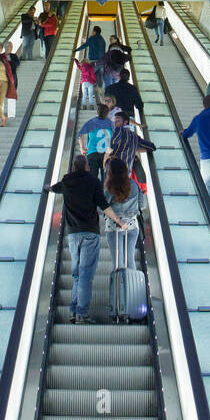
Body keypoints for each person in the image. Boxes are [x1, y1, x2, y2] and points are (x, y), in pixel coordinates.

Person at [46, 155, 128, 323]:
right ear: (87, 168)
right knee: (85, 275)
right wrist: (119, 221)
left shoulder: (66, 182)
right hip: (90, 233)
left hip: (73, 234)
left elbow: (53, 188)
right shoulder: (93, 182)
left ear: (74, 168)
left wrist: (46, 187)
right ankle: (82, 313)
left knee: (76, 275)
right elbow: (104, 205)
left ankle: (73, 311)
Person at [103, 157, 147, 270]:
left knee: (117, 263)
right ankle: (131, 286)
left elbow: (103, 206)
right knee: (130, 260)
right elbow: (142, 205)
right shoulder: (134, 185)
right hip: (132, 226)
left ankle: (119, 286)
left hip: (114, 227)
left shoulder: (109, 187)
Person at [106, 110, 155, 185]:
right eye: (114, 120)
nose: (115, 123)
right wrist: (134, 148)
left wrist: (105, 158)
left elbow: (112, 145)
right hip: (127, 173)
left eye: (118, 120)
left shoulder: (118, 130)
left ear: (125, 122)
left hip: (114, 169)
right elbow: (151, 147)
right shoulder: (135, 137)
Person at [78, 103, 114, 182]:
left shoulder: (91, 122)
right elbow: (115, 137)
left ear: (97, 112)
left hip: (92, 152)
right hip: (106, 154)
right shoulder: (111, 123)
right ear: (107, 113)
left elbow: (80, 134)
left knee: (92, 178)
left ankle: (92, 192)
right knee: (105, 178)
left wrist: (82, 148)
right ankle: (103, 193)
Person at [76, 23, 107, 94]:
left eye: (92, 31)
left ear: (95, 32)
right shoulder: (103, 40)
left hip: (93, 61)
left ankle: (91, 93)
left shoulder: (92, 38)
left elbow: (85, 45)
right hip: (101, 62)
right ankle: (100, 93)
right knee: (100, 78)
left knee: (90, 76)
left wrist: (75, 50)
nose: (91, 32)